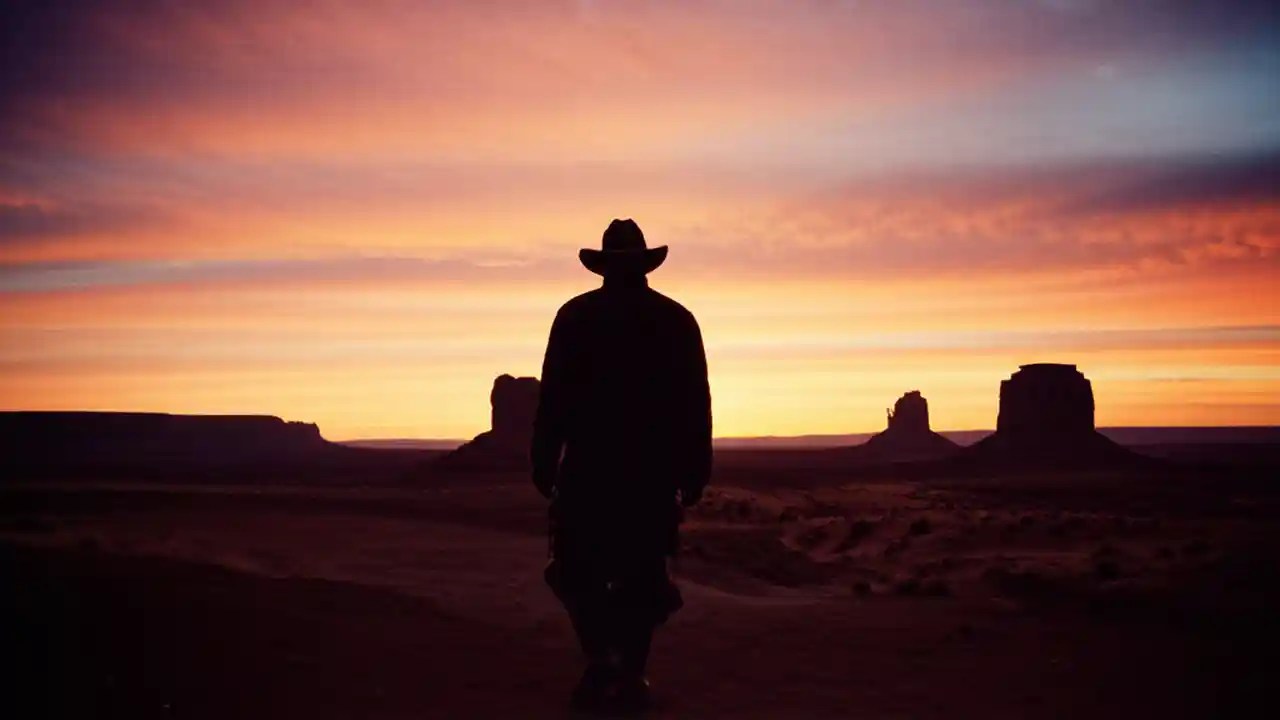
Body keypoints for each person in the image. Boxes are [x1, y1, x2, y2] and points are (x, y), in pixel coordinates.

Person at [532, 218, 712, 714]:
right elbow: (696, 403)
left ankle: (603, 662)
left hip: (589, 470)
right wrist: (696, 469)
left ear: (604, 266)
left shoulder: (574, 317)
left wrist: (543, 462)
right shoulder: (676, 320)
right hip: (651, 474)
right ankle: (628, 671)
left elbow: (553, 401)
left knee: (575, 572)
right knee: (643, 576)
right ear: (643, 263)